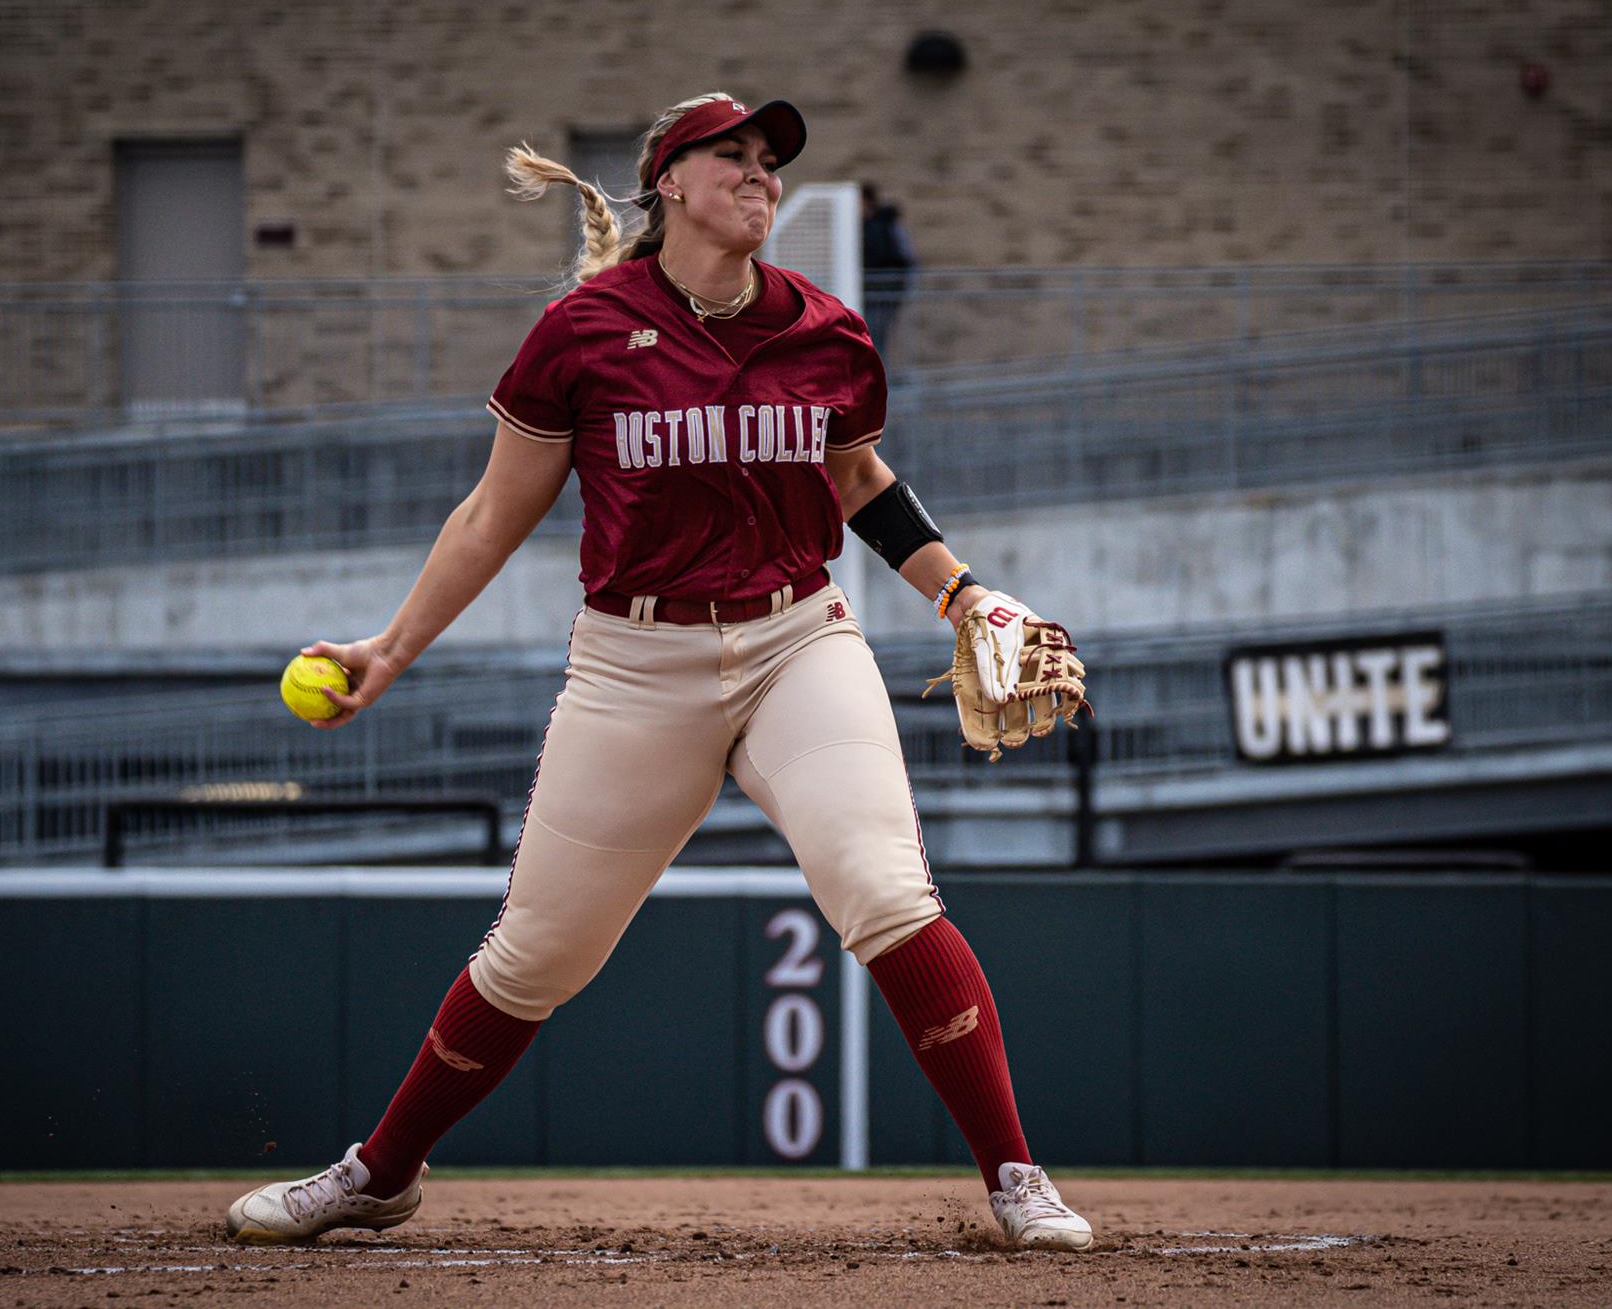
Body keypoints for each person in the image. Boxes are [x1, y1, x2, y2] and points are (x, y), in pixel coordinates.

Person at [225, 92, 1094, 1253]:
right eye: (729, 156)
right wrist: (390, 649)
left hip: (797, 639)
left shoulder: (826, 329)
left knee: (884, 889)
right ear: (668, 184)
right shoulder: (582, 329)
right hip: (635, 662)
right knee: (534, 951)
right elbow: (492, 513)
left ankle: (1015, 1176)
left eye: (767, 161)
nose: (759, 175)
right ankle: (379, 1172)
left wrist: (960, 588)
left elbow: (858, 483)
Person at [860, 182, 917, 363]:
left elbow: (896, 258)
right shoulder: (882, 222)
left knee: (874, 336)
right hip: (881, 290)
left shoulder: (879, 225)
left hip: (882, 291)